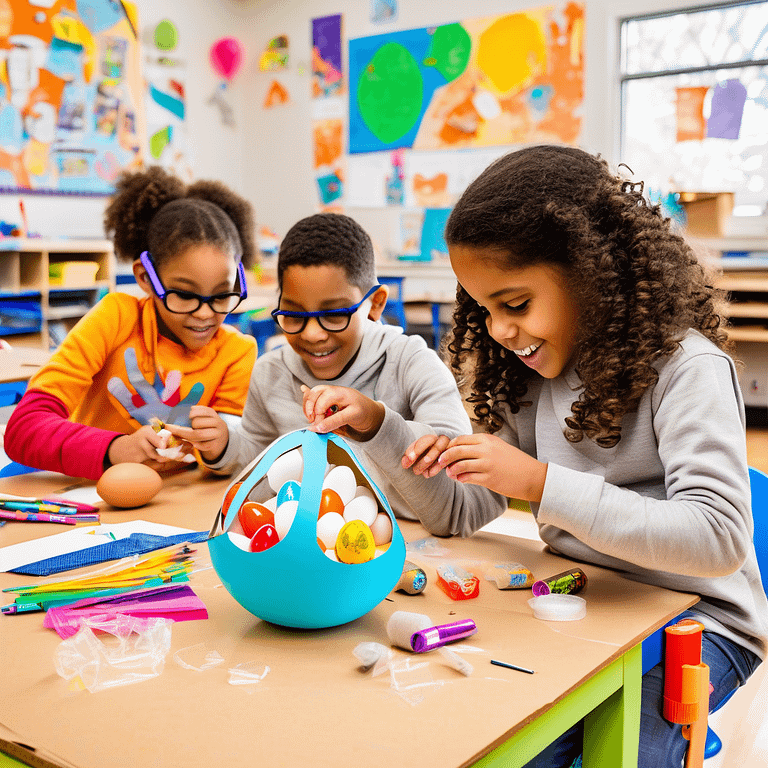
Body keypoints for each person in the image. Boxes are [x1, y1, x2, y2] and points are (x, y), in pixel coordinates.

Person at [404, 145, 767, 767]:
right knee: (497, 745)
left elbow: (718, 538)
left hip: (700, 621)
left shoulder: (688, 368)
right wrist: (386, 431)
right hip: (586, 599)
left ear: (591, 274)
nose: (499, 330)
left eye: (515, 305)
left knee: (621, 755)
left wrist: (541, 483)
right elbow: (458, 514)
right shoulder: (528, 372)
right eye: (484, 309)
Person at [169, 212, 506, 524]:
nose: (313, 334)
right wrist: (226, 444)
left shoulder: (412, 362)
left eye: (334, 315)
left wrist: (376, 425)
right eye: (294, 315)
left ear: (374, 304)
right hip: (309, 544)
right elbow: (259, 456)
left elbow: (450, 469)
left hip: (404, 543)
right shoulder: (271, 372)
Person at [4, 166, 257, 480]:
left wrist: (223, 446)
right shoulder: (116, 317)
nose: (205, 313)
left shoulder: (237, 351)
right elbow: (23, 429)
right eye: (183, 294)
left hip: (176, 497)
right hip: (87, 490)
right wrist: (114, 449)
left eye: (222, 295)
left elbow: (233, 456)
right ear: (146, 277)